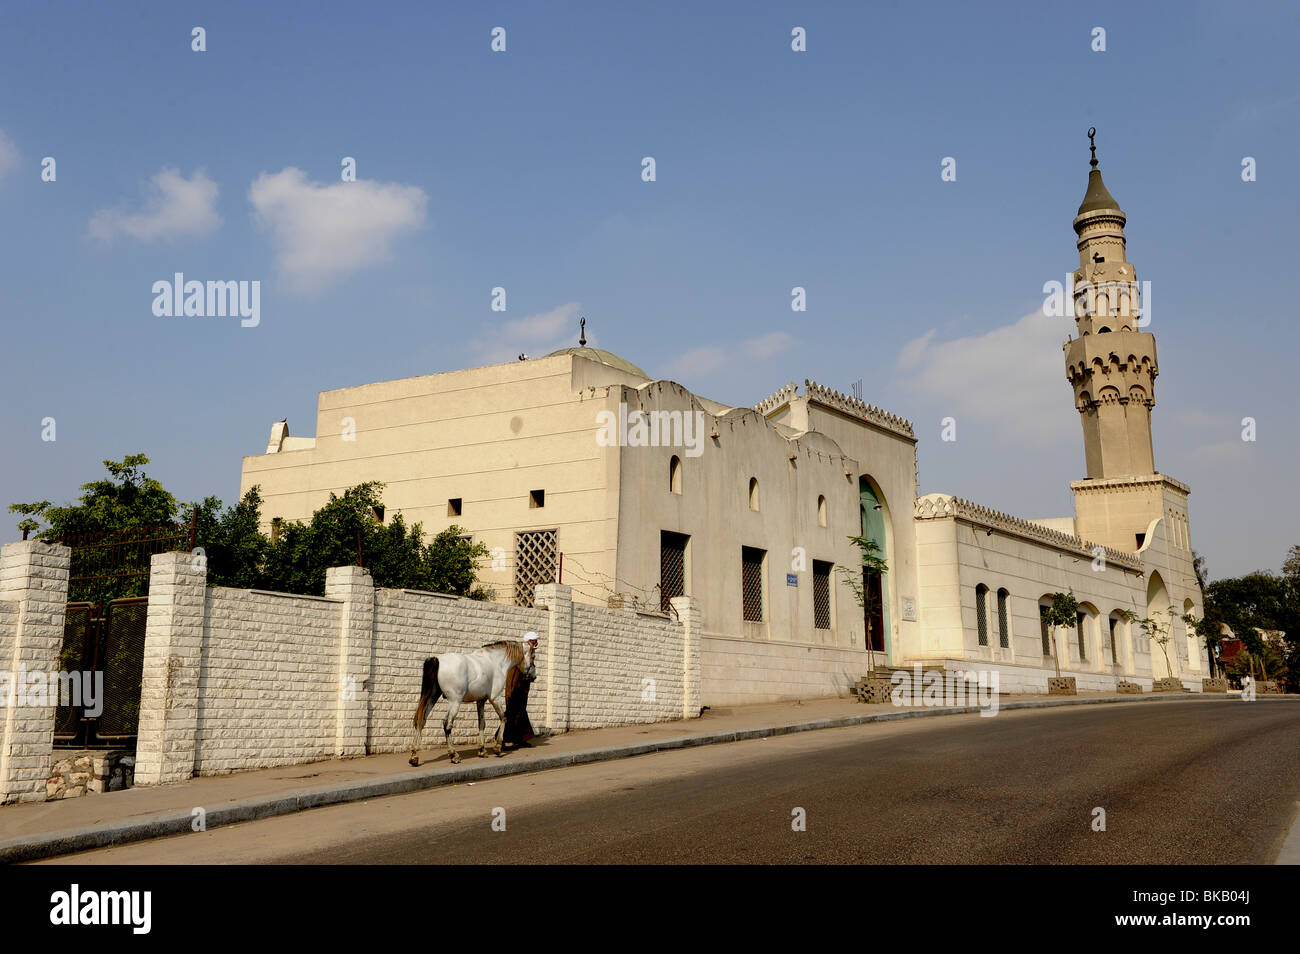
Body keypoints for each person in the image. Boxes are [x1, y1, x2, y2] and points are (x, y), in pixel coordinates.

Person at [503, 632, 539, 748]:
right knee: (512, 711)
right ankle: (504, 740)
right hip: (516, 684)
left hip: (523, 684)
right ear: (529, 641)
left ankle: (520, 739)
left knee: (521, 711)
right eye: (534, 640)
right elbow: (517, 670)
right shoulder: (521, 651)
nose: (536, 642)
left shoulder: (529, 651)